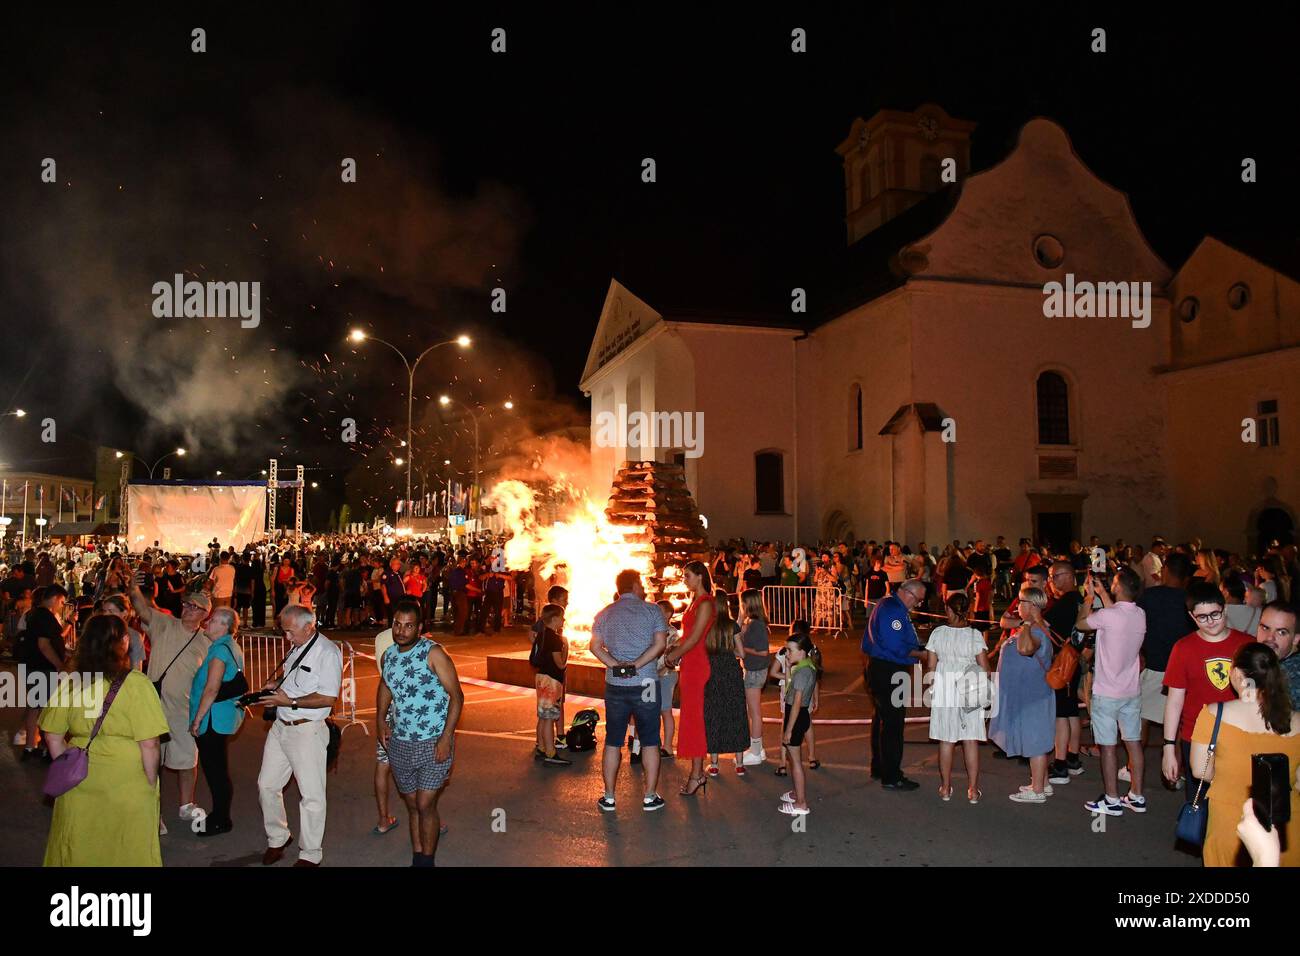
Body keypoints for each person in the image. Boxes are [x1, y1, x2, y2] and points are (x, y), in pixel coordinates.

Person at [40, 614, 170, 866]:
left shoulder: (71, 682)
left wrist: (69, 768)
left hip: (79, 780)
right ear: (124, 642)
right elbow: (150, 743)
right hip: (128, 780)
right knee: (126, 845)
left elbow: (52, 736)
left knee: (78, 843)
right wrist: (149, 780)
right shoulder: (137, 684)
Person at [1190, 643, 1300, 866]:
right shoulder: (1297, 721)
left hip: (1231, 822)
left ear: (1239, 675)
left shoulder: (1214, 715)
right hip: (1285, 826)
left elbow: (1201, 770)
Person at [376, 598, 463, 866]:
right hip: (400, 742)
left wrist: (446, 738)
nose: (401, 631)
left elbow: (457, 696)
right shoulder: (389, 655)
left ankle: (427, 859)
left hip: (433, 741)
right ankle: (418, 856)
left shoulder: (433, 654)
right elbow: (386, 686)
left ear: (420, 627)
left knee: (425, 804)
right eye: (397, 624)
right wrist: (380, 720)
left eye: (408, 626)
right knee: (413, 805)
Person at [254, 603, 343, 866]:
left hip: (307, 730)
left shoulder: (327, 652)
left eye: (290, 632)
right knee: (267, 785)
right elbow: (295, 679)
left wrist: (290, 702)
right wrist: (277, 685)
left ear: (309, 627)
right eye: (284, 631)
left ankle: (311, 854)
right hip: (281, 726)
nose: (287, 637)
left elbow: (327, 697)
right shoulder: (298, 645)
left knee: (312, 796)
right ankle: (278, 837)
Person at [131, 581, 211, 832]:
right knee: (151, 762)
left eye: (194, 606)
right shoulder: (164, 624)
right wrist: (132, 587)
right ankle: (153, 812)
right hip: (154, 707)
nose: (187, 608)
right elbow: (141, 608)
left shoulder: (206, 641)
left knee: (187, 760)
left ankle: (186, 804)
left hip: (184, 711)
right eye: (186, 604)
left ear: (204, 614)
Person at [1161, 582, 1253, 799]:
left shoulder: (1247, 644)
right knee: (1199, 802)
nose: (1210, 621)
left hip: (1239, 735)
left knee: (1238, 800)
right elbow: (1174, 701)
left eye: (1215, 614)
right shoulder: (1183, 648)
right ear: (1191, 617)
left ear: (1225, 609)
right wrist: (1168, 747)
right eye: (1202, 617)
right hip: (1196, 738)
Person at [590, 569, 669, 811]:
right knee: (650, 740)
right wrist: (636, 665)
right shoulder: (653, 610)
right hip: (646, 683)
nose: (643, 588)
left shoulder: (604, 613)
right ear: (634, 585)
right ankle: (650, 796)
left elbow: (594, 646)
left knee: (613, 740)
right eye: (641, 584)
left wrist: (617, 666)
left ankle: (609, 797)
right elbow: (660, 644)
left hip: (616, 685)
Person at [1078, 567, 1148, 816]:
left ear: (1118, 587)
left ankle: (1111, 799)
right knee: (1133, 742)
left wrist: (1089, 597)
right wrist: (1103, 594)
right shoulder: (1139, 614)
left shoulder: (1108, 616)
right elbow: (1116, 615)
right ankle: (1136, 795)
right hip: (1131, 690)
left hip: (1107, 692)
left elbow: (1081, 624)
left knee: (1108, 746)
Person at [989, 587, 1057, 803]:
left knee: (1035, 741)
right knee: (1035, 738)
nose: (1017, 606)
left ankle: (1037, 791)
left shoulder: (1035, 630)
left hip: (1032, 695)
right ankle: (1043, 783)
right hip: (1028, 693)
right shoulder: (1034, 626)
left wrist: (1026, 624)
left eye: (1021, 602)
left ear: (1032, 605)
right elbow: (1005, 623)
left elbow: (1026, 649)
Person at [925, 593, 990, 803]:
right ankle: (973, 791)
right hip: (969, 688)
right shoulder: (974, 635)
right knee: (970, 740)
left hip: (944, 688)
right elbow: (985, 668)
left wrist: (933, 688)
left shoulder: (938, 633)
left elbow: (931, 666)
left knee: (946, 740)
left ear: (948, 609)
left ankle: (945, 788)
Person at [187, 606, 246, 837]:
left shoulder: (220, 650)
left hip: (213, 720)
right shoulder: (228, 646)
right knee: (217, 769)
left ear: (224, 626)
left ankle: (221, 819)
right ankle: (220, 815)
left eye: (212, 620)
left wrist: (197, 720)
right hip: (220, 718)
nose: (207, 623)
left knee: (215, 771)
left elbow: (211, 689)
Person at [863, 578, 927, 790]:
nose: (918, 604)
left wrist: (919, 646)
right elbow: (896, 646)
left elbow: (901, 639)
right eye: (918, 600)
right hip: (889, 670)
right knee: (893, 724)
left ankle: (880, 767)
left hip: (883, 668)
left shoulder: (889, 605)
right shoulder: (893, 611)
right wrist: (922, 654)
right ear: (908, 593)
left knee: (882, 720)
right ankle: (891, 776)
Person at [664, 561, 715, 797]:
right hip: (690, 664)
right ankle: (697, 772)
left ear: (700, 576)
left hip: (698, 664)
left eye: (687, 576)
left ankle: (697, 774)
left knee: (695, 720)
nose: (684, 579)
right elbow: (687, 635)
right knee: (691, 718)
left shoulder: (705, 603)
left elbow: (695, 638)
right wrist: (673, 647)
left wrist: (674, 654)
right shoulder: (695, 601)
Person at [18, 584, 72, 760]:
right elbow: (44, 644)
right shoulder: (45, 617)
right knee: (48, 709)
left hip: (34, 666)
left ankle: (30, 747)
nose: (62, 606)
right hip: (43, 669)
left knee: (35, 707)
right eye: (62, 602)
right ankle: (46, 748)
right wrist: (59, 665)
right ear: (55, 598)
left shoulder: (34, 614)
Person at [703, 593, 750, 776]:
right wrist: (730, 652)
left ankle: (714, 764)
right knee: (735, 713)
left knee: (713, 714)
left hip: (712, 672)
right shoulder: (732, 626)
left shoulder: (707, 626)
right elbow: (742, 653)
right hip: (731, 672)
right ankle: (739, 763)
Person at [779, 633, 818, 816]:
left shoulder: (803, 672)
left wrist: (788, 730)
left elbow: (796, 702)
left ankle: (801, 803)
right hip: (799, 714)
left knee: (795, 761)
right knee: (794, 758)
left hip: (796, 715)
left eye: (790, 650)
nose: (787, 653)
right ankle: (797, 793)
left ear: (801, 652)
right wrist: (788, 667)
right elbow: (790, 687)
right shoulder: (806, 666)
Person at [532, 603, 570, 765]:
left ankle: (541, 747)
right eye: (562, 617)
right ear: (554, 619)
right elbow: (560, 664)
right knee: (549, 718)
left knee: (542, 716)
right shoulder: (555, 639)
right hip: (552, 681)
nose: (564, 620)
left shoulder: (541, 635)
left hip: (541, 677)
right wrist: (566, 647)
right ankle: (550, 752)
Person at [737, 589, 770, 765]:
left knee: (755, 712)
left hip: (755, 671)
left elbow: (763, 651)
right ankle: (758, 748)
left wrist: (743, 649)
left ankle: (756, 751)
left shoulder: (757, 624)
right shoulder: (753, 623)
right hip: (754, 669)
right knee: (753, 711)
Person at [1256, 601, 1300, 708]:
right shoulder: (1270, 664)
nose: (1270, 637)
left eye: (1281, 632)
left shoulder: (1292, 678)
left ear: (1295, 639)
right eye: (1265, 628)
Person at [655, 599, 679, 756]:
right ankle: (655, 743)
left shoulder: (672, 633)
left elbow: (672, 657)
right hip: (654, 675)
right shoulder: (655, 630)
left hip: (666, 675)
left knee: (665, 710)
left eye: (659, 611)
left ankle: (668, 746)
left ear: (668, 614)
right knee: (653, 711)